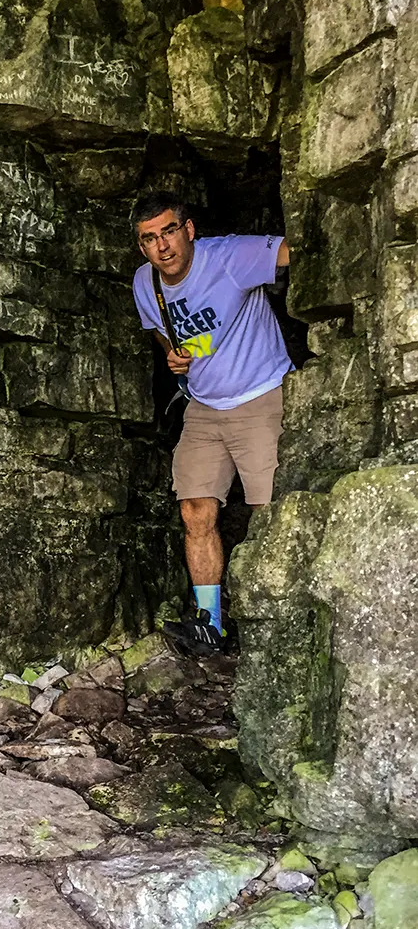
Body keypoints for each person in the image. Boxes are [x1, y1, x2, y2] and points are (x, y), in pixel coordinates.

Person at [130, 190, 291, 653]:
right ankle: (211, 624)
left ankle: (276, 621)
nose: (162, 247)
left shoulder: (230, 257)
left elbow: (296, 249)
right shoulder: (146, 283)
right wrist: (172, 357)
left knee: (270, 515)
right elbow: (161, 332)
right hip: (202, 407)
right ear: (141, 247)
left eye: (169, 232)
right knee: (195, 510)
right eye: (149, 239)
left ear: (189, 230)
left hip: (260, 397)